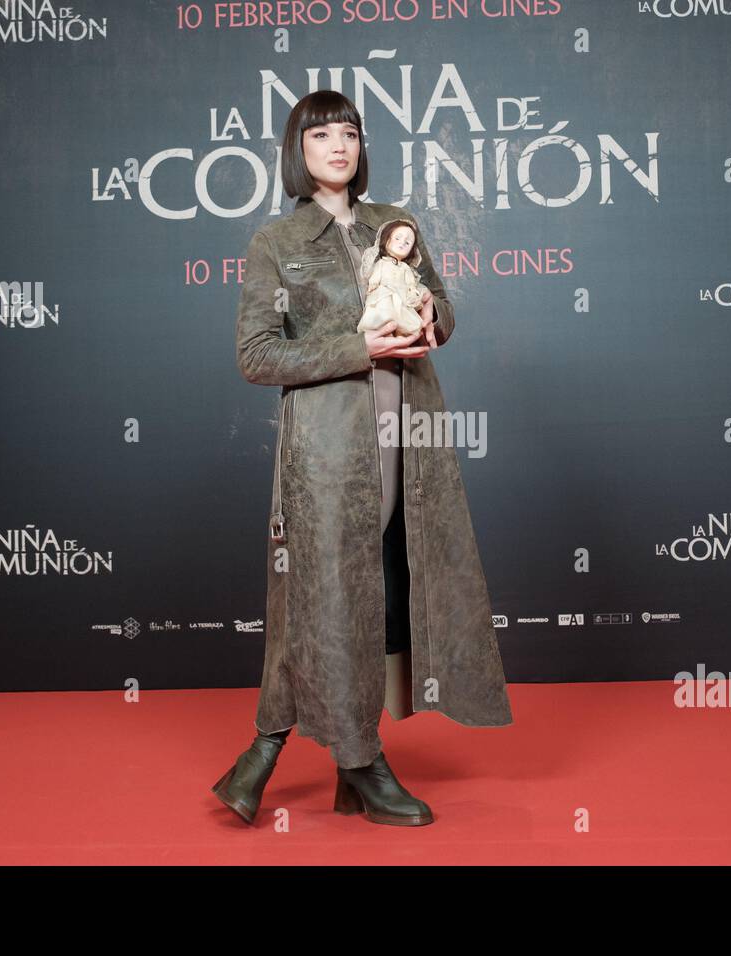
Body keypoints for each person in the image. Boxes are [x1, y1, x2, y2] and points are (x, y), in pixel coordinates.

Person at [212, 90, 512, 828]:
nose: (338, 147)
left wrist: (429, 319)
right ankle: (357, 762)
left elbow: (443, 306)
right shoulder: (276, 243)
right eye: (322, 136)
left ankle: (332, 760)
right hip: (326, 450)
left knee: (382, 588)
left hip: (410, 441)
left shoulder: (391, 223)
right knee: (328, 594)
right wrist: (361, 347)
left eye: (349, 133)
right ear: (299, 151)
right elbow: (256, 356)